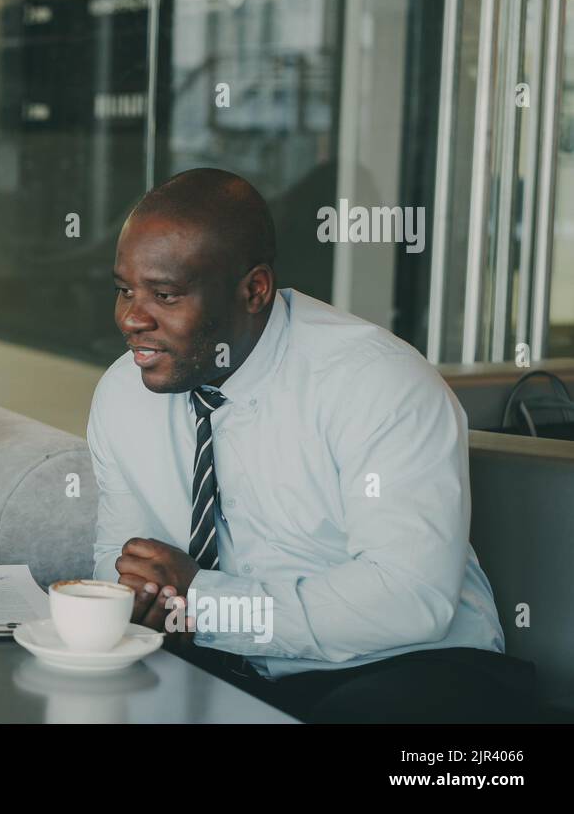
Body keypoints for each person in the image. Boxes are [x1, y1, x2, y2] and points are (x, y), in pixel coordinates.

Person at [88, 167, 535, 722]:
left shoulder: (376, 383)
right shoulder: (122, 394)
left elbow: (408, 598)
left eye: (165, 295)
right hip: (223, 663)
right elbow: (120, 557)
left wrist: (203, 602)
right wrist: (146, 601)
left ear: (254, 289)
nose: (132, 318)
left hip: (407, 669)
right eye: (125, 290)